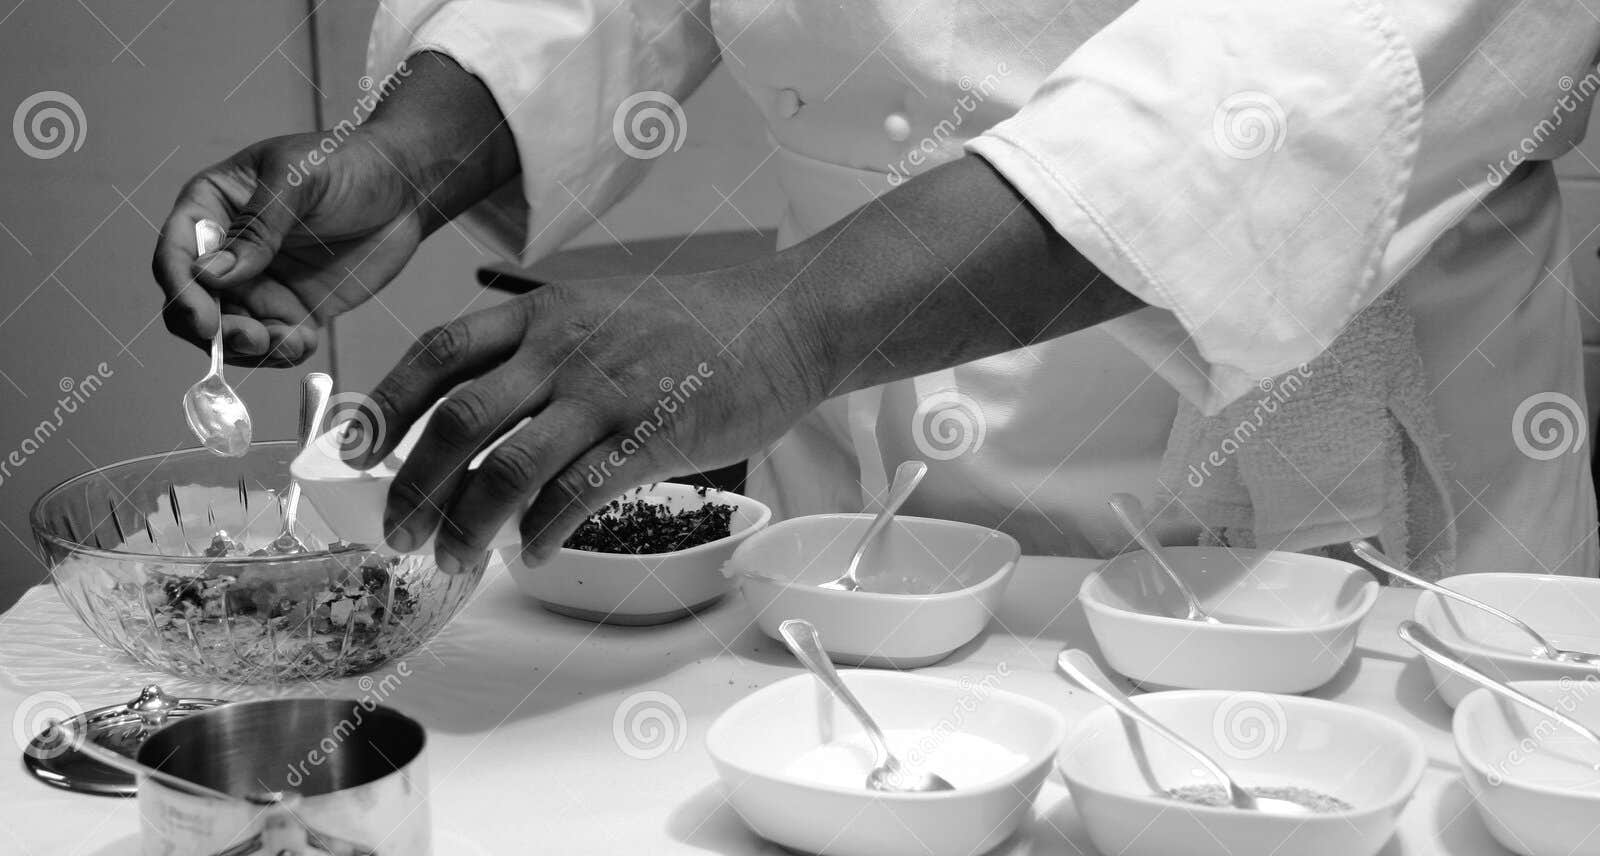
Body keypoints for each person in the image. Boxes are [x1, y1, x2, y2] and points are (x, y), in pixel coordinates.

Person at [154, 1, 1600, 579]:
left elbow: (1308, 71)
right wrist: (411, 154)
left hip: (1305, 513)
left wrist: (784, 319)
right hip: (852, 498)